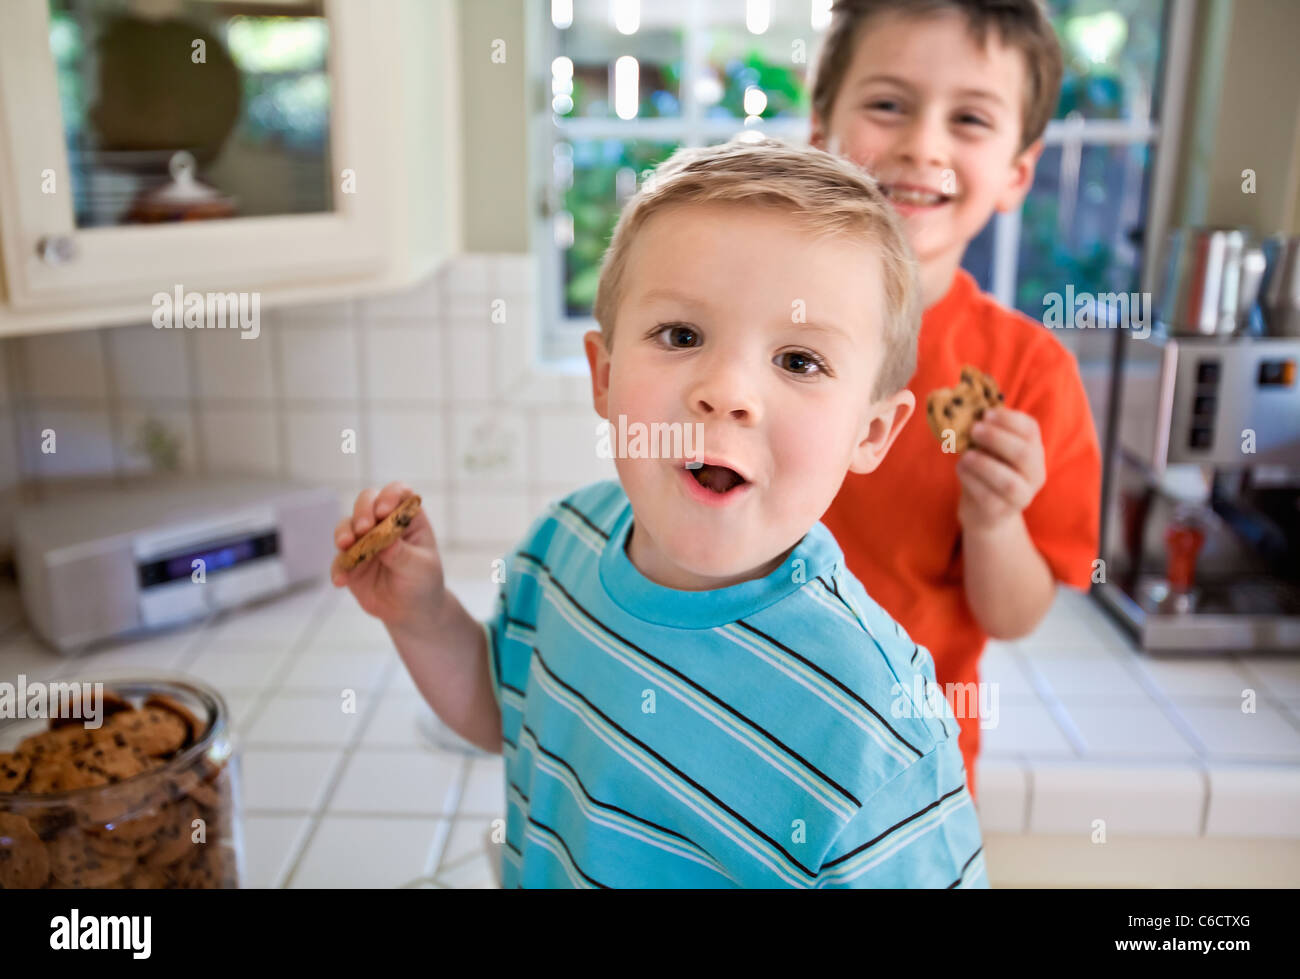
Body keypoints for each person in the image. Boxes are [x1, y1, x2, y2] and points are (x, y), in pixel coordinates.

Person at [333, 138, 988, 888]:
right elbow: (502, 710)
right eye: (681, 335)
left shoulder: (876, 724)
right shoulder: (562, 543)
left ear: (869, 433)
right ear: (605, 378)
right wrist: (421, 615)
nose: (727, 390)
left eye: (799, 360)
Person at [810, 0, 1103, 803]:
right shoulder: (753, 331)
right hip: (725, 735)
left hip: (906, 767)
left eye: (969, 118)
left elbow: (1013, 616)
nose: (922, 145)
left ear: (1017, 173)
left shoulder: (1031, 374)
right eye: (887, 104)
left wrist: (994, 519)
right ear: (818, 133)